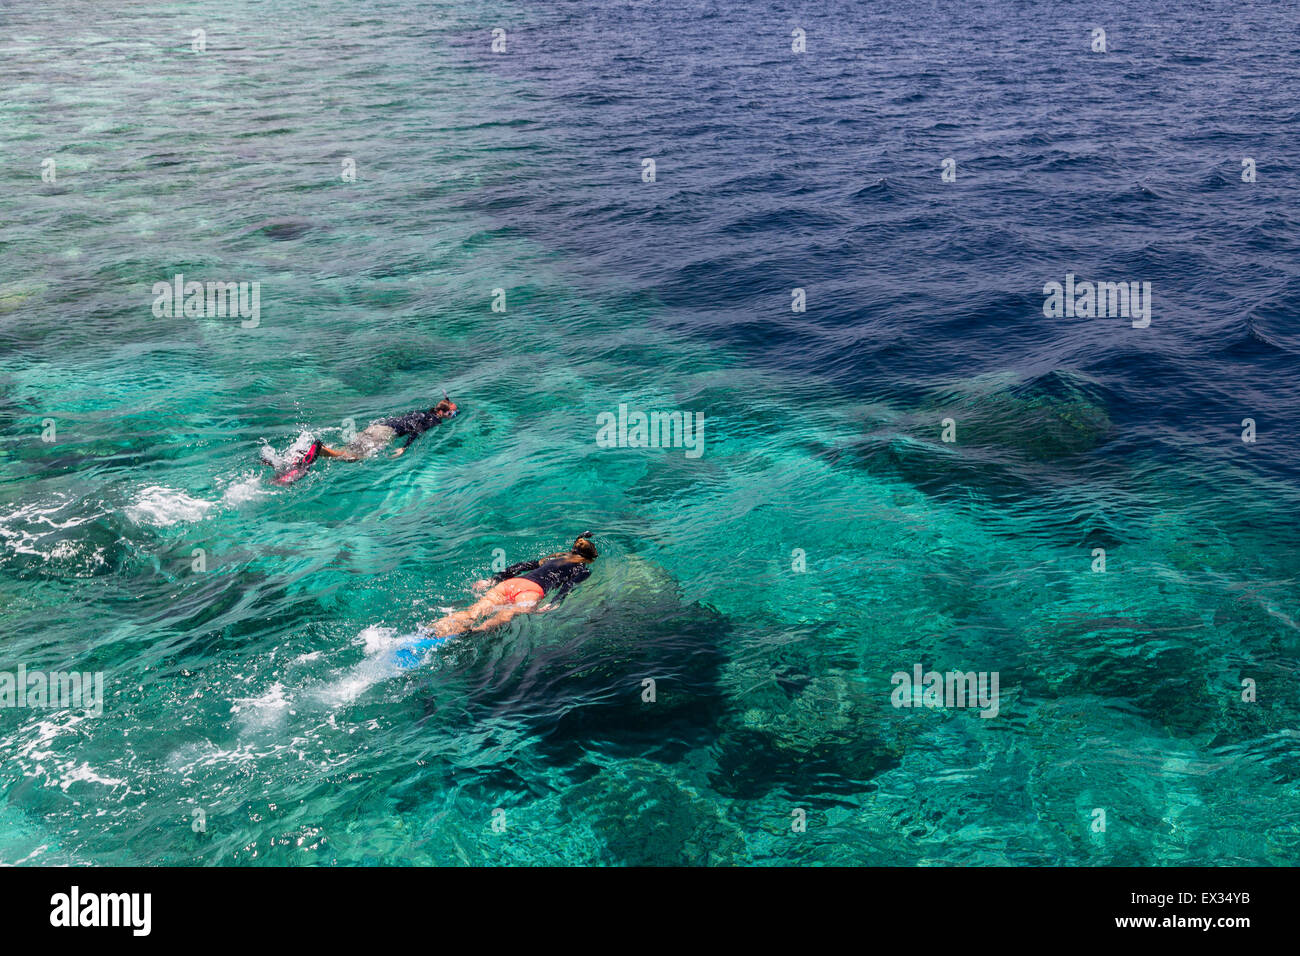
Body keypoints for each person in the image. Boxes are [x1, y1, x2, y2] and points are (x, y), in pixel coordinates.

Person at [426, 533, 598, 637]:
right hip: (531, 590)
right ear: (589, 559)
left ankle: (436, 628)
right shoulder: (582, 569)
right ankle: (475, 633)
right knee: (506, 614)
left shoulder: (553, 558)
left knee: (474, 611)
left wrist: (492, 580)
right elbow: (569, 586)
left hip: (512, 583)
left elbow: (521, 566)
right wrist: (554, 603)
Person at [320, 396, 458, 461]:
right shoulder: (434, 420)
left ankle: (318, 451)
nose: (453, 415)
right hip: (385, 433)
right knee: (356, 457)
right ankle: (322, 451)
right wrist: (404, 448)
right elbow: (418, 430)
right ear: (441, 412)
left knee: (350, 447)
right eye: (451, 413)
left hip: (378, 426)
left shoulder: (424, 412)